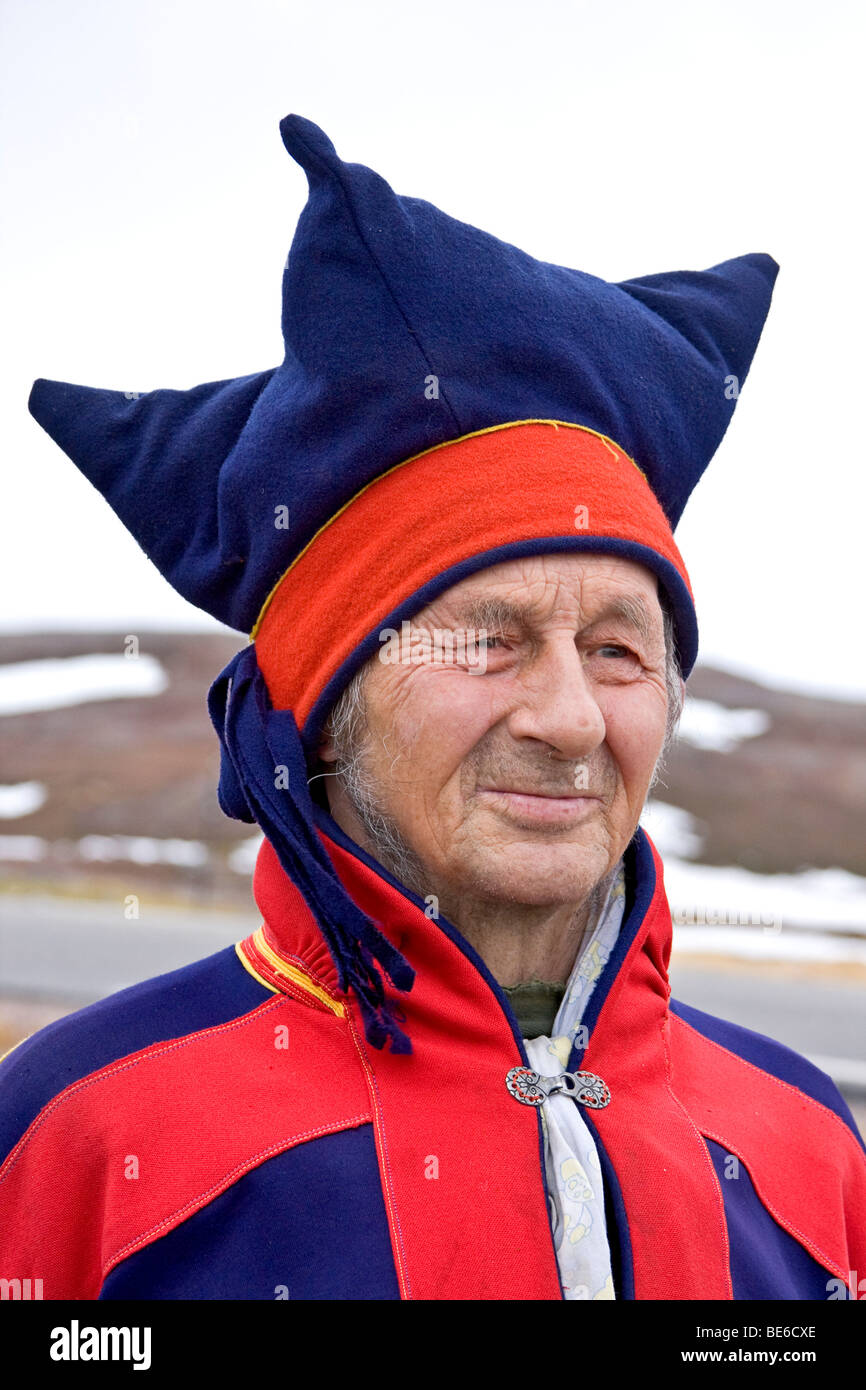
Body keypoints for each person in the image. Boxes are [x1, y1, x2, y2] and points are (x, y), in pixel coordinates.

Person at [2, 113, 863, 1301]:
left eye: (618, 649)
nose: (568, 720)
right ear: (324, 700)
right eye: (487, 641)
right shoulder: (77, 1133)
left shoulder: (806, 1146)